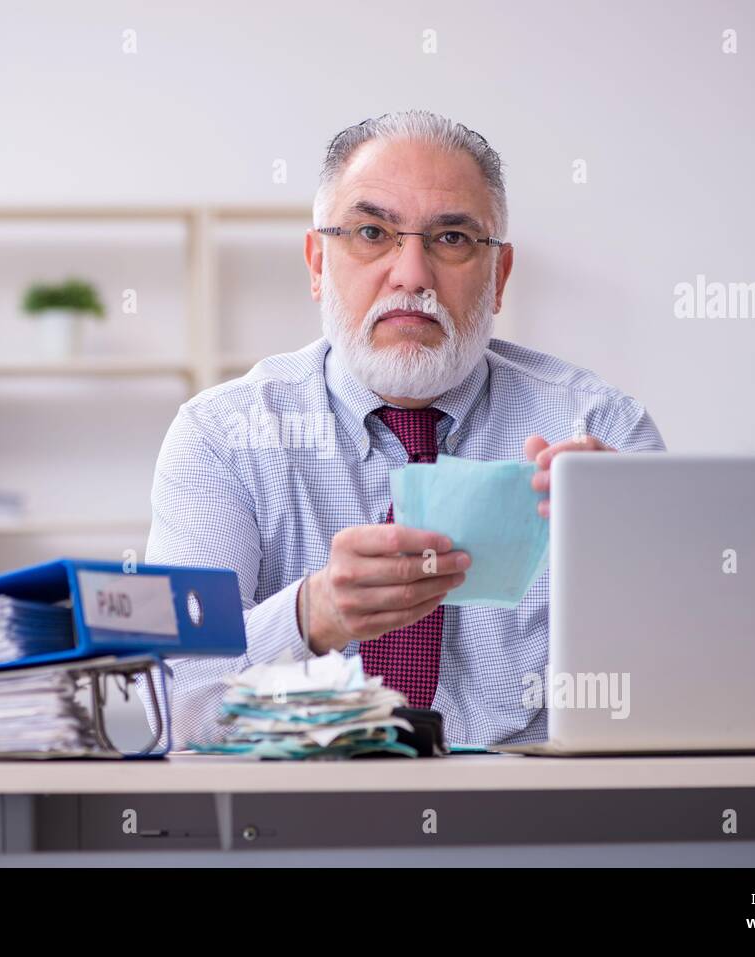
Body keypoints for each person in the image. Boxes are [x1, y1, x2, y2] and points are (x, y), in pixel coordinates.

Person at [138, 110, 665, 749]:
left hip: (538, 823)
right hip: (299, 827)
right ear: (316, 263)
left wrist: (636, 562)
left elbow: (680, 692)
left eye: (451, 239)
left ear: (498, 277)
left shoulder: (598, 429)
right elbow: (175, 709)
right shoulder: (221, 437)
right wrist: (311, 617)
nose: (412, 276)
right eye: (371, 231)